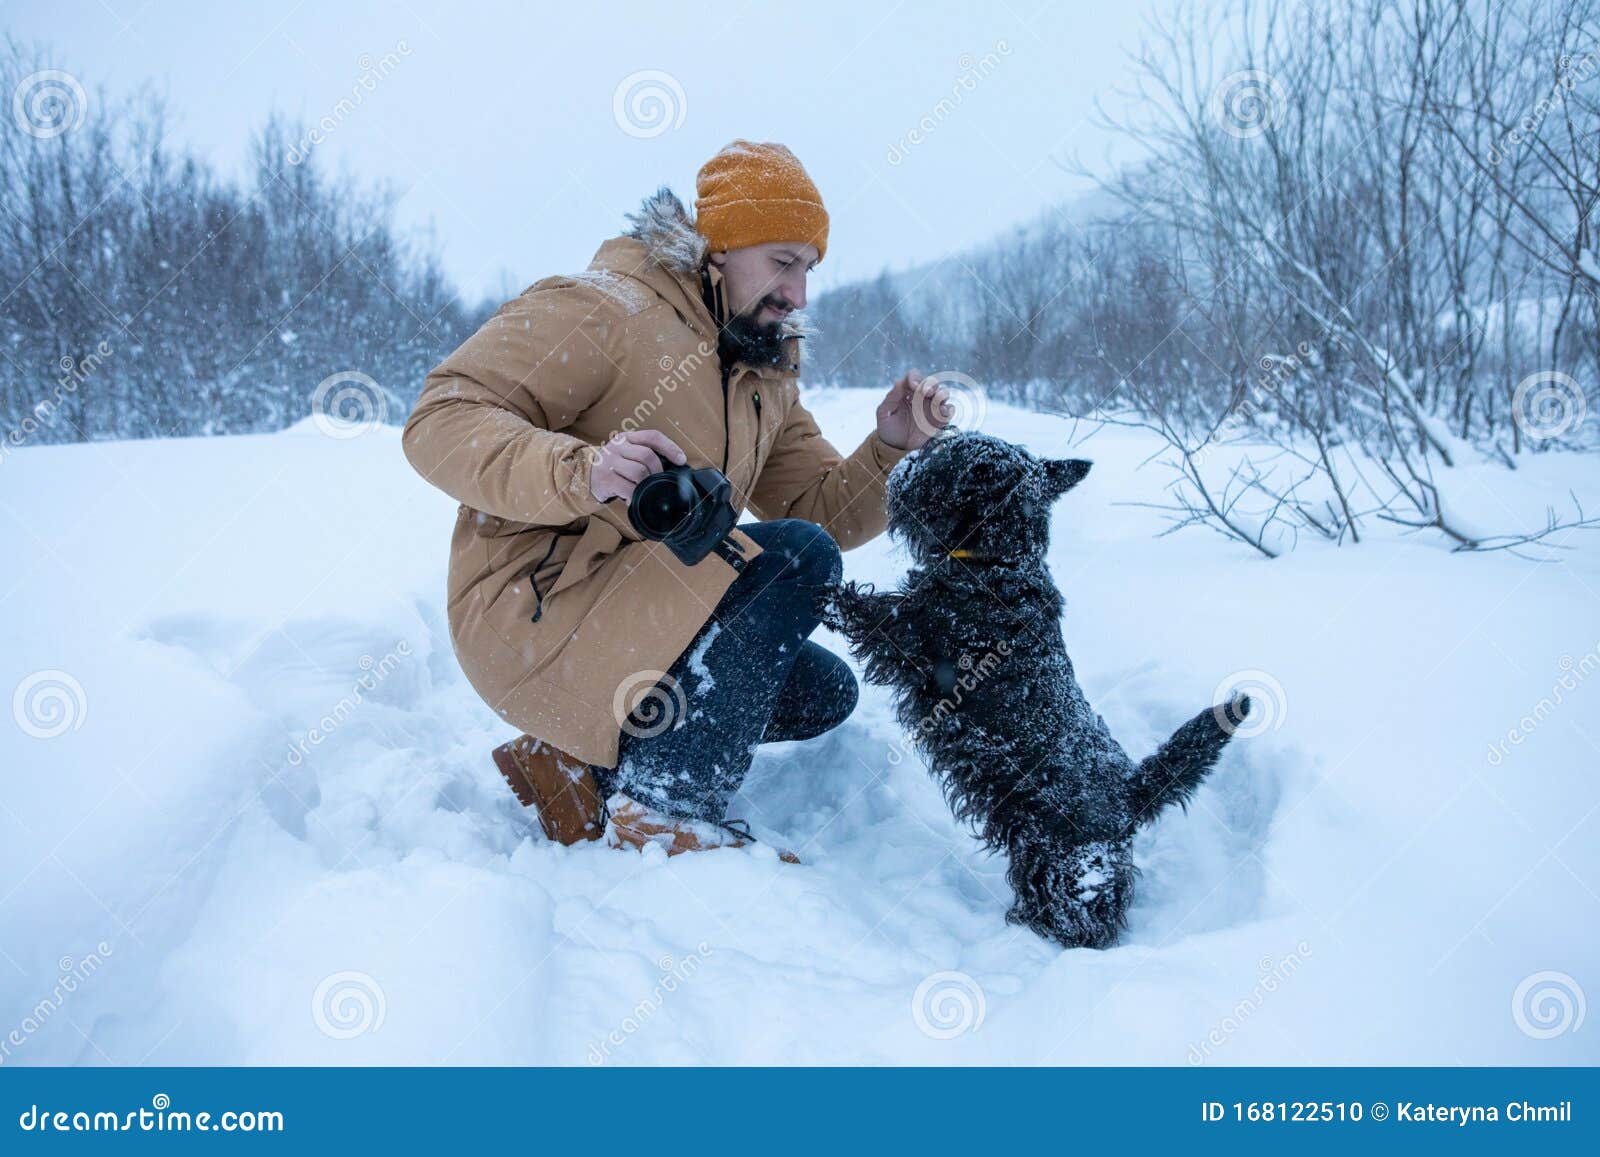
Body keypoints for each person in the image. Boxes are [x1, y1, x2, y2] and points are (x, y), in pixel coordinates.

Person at [402, 140, 951, 857]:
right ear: (719, 249)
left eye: (808, 268)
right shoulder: (605, 308)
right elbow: (439, 416)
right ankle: (662, 806)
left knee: (821, 689)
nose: (798, 293)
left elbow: (823, 511)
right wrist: (585, 470)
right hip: (531, 612)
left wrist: (892, 448)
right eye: (782, 261)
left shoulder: (762, 372)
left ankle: (577, 763)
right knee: (793, 564)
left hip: (628, 614)